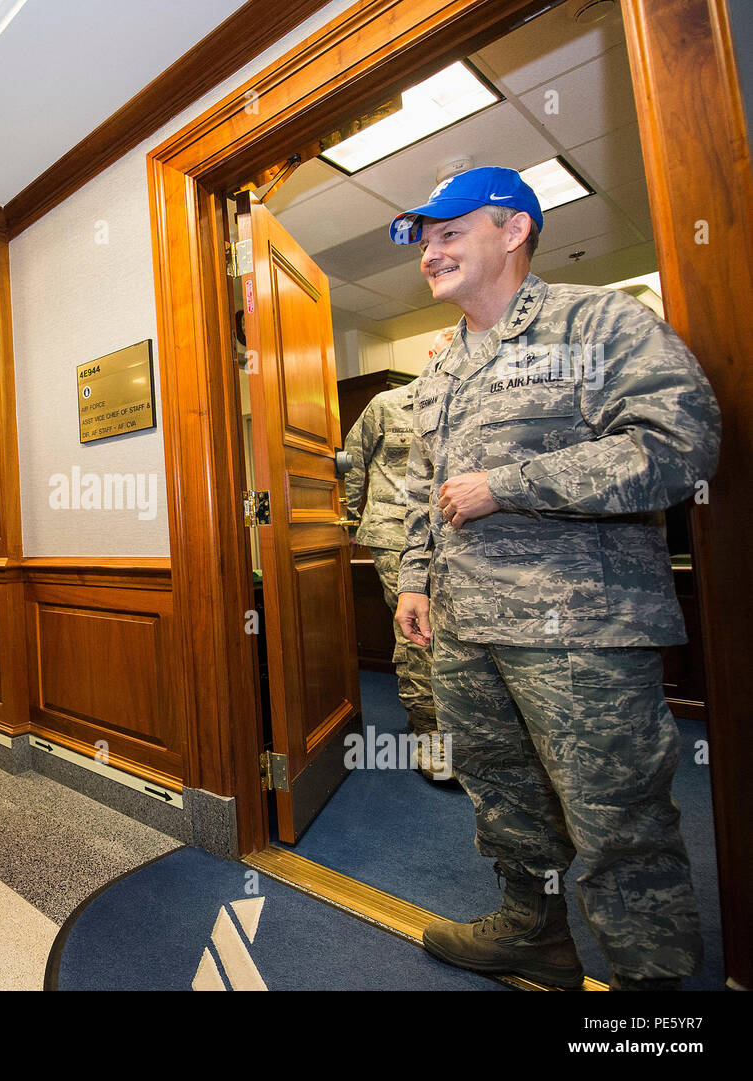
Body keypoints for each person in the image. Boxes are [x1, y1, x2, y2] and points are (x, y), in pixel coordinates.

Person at [388, 166, 720, 990]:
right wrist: (415, 578)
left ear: (514, 229)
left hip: (580, 630)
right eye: (424, 240)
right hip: (467, 630)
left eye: (450, 231)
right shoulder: (439, 371)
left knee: (618, 819)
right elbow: (426, 491)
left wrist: (513, 483)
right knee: (503, 795)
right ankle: (533, 931)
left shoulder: (597, 319)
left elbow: (677, 444)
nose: (431, 251)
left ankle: (651, 995)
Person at [342, 329, 455, 781]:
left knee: (456, 632)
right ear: (431, 352)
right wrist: (347, 525)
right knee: (416, 630)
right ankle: (429, 733)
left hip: (455, 534)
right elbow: (349, 461)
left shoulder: (467, 404)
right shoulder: (387, 406)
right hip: (394, 535)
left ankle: (468, 727)